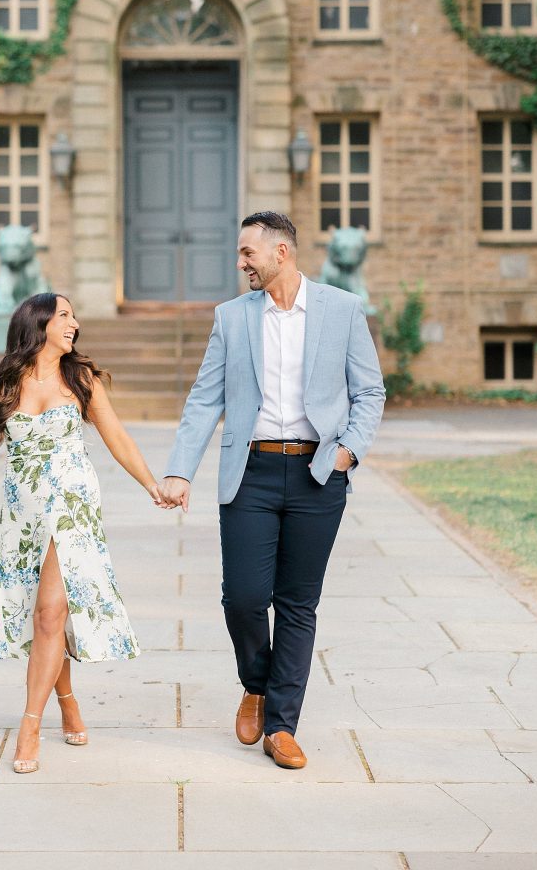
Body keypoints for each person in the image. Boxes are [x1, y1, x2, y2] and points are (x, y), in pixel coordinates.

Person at [160, 212, 385, 770]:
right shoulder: (232, 318)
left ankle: (282, 726)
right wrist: (179, 470)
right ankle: (255, 684)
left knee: (297, 604)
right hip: (251, 473)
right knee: (242, 597)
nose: (241, 263)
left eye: (247, 253)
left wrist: (347, 452)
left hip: (317, 475)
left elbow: (370, 391)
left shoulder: (342, 309)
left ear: (281, 252)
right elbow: (204, 399)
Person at [0, 292, 165, 774]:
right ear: (39, 323)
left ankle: (30, 725)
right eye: (64, 316)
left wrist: (151, 483)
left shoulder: (80, 378)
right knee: (45, 621)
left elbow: (117, 437)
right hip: (22, 514)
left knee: (50, 613)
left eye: (72, 316)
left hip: (72, 508)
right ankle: (66, 700)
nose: (74, 323)